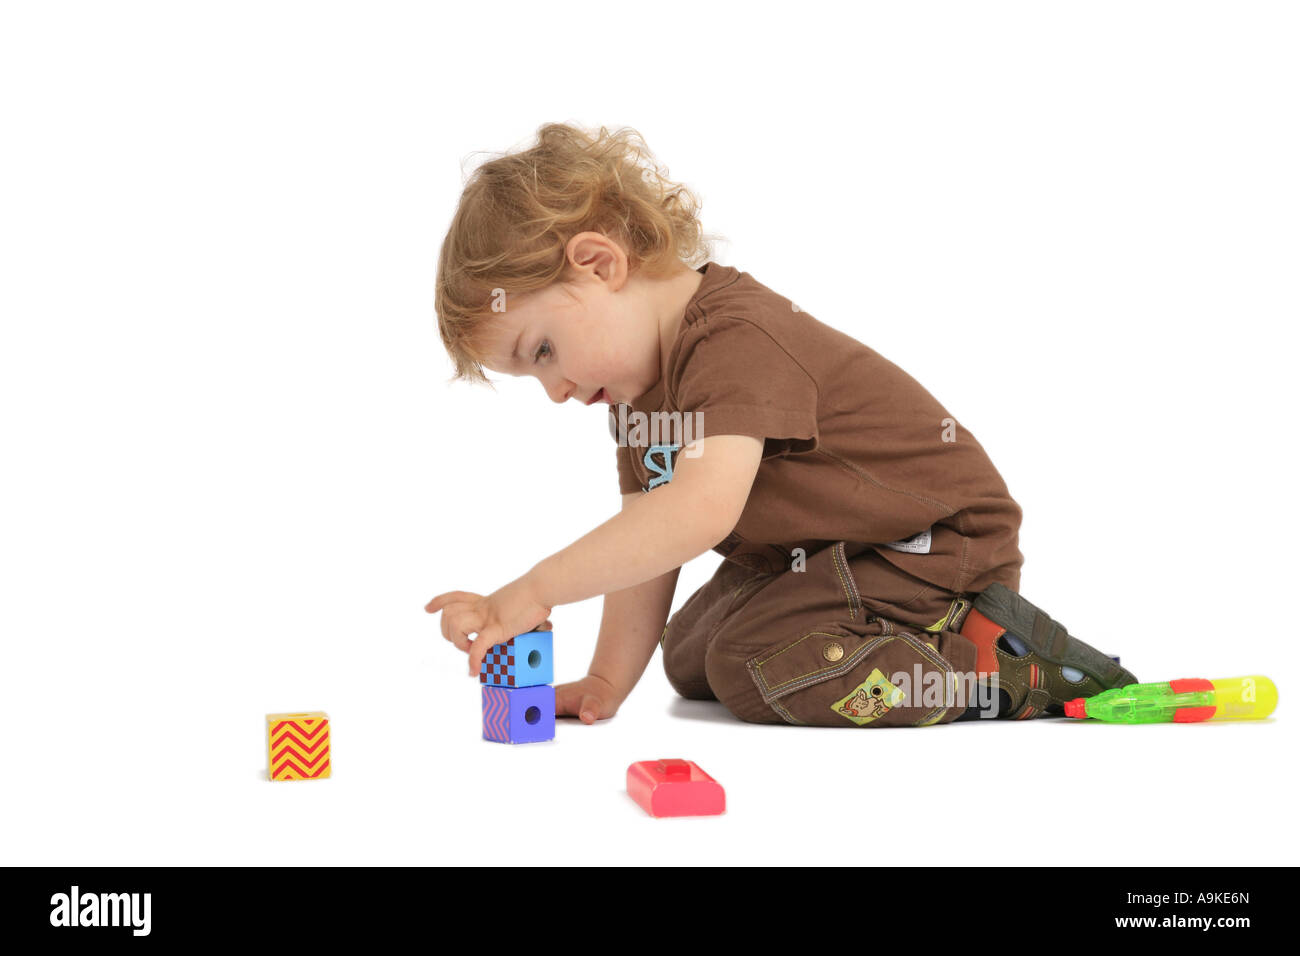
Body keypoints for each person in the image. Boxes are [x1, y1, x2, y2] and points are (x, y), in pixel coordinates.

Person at [426, 122, 1134, 728]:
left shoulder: (733, 338)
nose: (554, 391)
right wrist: (607, 681)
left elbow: (697, 513)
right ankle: (898, 636)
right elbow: (650, 543)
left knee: (749, 662)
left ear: (599, 263)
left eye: (543, 351)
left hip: (926, 546)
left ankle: (990, 661)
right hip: (830, 552)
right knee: (690, 654)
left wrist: (538, 587)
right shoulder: (634, 398)